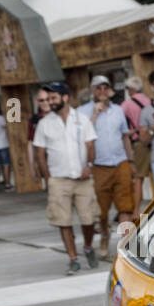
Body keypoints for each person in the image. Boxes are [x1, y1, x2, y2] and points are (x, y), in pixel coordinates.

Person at [32, 80, 98, 275]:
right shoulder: (44, 124)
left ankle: (87, 247)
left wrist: (89, 165)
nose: (50, 102)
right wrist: (48, 177)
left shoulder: (81, 119)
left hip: (83, 179)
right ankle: (73, 258)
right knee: (64, 221)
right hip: (59, 180)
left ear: (65, 98)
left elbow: (91, 145)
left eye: (53, 98)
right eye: (48, 98)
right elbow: (40, 153)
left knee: (88, 219)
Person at [79, 75, 134, 256]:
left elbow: (125, 136)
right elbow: (82, 137)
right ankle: (104, 238)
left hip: (120, 161)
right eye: (98, 88)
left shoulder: (118, 110)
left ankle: (126, 244)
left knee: (125, 205)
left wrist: (131, 160)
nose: (102, 91)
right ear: (93, 91)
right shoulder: (83, 111)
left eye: (105, 87)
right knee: (101, 210)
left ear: (110, 90)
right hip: (99, 165)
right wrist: (95, 114)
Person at [121, 75, 151, 215]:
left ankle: (136, 211)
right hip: (153, 139)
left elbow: (119, 122)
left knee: (138, 177)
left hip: (139, 142)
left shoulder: (127, 104)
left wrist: (130, 132)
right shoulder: (149, 100)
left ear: (130, 89)